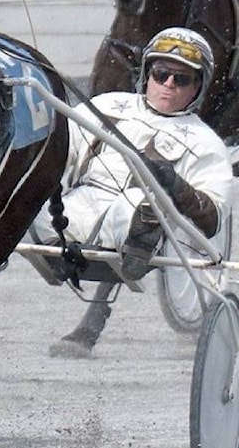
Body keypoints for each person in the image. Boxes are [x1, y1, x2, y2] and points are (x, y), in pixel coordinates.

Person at [30, 27, 233, 284]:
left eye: (181, 79)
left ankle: (140, 241)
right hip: (67, 212)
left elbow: (213, 216)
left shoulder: (205, 142)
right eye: (161, 74)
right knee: (21, 191)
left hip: (128, 227)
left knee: (143, 198)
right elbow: (59, 148)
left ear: (197, 87)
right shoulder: (107, 105)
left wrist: (176, 186)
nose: (168, 84)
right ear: (148, 75)